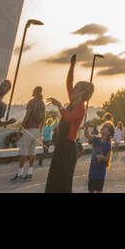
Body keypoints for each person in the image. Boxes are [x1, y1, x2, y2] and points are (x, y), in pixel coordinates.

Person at [45, 54, 92, 193]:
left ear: (83, 93)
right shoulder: (73, 102)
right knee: (54, 178)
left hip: (67, 147)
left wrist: (59, 105)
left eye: (77, 88)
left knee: (63, 182)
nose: (73, 89)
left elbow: (69, 118)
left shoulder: (81, 107)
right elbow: (68, 83)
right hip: (60, 144)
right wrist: (72, 66)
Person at [13, 85, 44, 182]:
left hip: (28, 130)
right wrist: (40, 131)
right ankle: (29, 174)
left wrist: (20, 129)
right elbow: (43, 119)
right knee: (32, 152)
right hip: (36, 131)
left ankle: (19, 175)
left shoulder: (32, 102)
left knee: (23, 151)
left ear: (34, 91)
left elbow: (26, 116)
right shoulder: (42, 104)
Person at [87, 121, 113, 193]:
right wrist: (86, 127)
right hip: (92, 171)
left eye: (106, 127)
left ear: (109, 133)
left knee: (99, 191)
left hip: (100, 172)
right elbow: (87, 135)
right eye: (104, 125)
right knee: (91, 190)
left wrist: (102, 157)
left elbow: (108, 158)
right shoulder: (96, 139)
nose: (103, 127)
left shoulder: (108, 144)